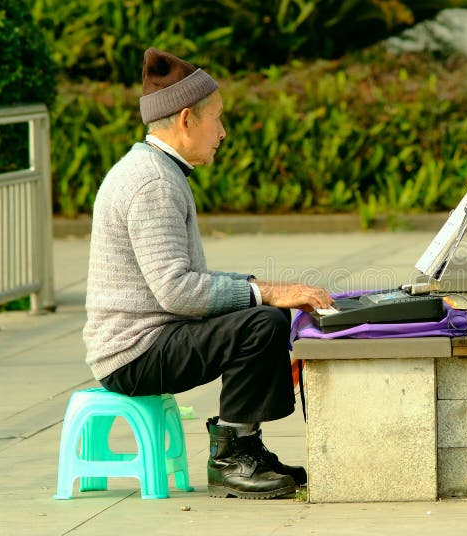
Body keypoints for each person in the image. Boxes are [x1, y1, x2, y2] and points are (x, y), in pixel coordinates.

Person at [83, 48, 334, 500]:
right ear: (186, 119)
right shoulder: (154, 182)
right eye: (216, 119)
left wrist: (265, 288)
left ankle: (245, 445)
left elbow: (183, 284)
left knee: (263, 309)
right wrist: (267, 293)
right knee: (262, 322)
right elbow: (178, 293)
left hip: (154, 335)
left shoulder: (157, 169)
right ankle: (232, 456)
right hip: (135, 351)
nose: (222, 131)